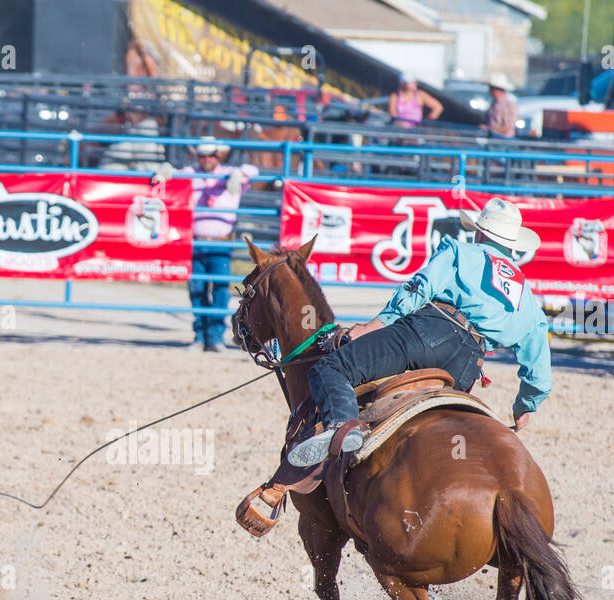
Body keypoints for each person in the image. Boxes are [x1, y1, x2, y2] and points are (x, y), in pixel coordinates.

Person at [287, 198, 551, 467]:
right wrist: (524, 407)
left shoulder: (459, 252)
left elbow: (418, 289)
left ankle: (343, 426)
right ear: (512, 245)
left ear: (479, 232)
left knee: (330, 368)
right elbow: (539, 375)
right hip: (467, 365)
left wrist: (372, 326)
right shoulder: (527, 299)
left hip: (428, 333)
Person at [153, 140, 259, 352]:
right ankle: (201, 335)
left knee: (220, 290)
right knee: (197, 289)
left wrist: (238, 174)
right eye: (203, 156)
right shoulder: (191, 173)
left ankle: (215, 336)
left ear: (218, 156)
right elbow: (170, 173)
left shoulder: (229, 172)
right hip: (196, 240)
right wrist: (165, 171)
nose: (207, 159)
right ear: (198, 157)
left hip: (220, 243)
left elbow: (254, 169)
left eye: (211, 155)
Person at [482, 75, 518, 139]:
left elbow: (508, 128)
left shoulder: (509, 105)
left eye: (491, 88)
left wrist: (489, 129)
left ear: (496, 89)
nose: (489, 90)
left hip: (503, 142)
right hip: (493, 139)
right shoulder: (494, 103)